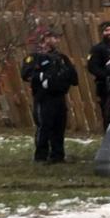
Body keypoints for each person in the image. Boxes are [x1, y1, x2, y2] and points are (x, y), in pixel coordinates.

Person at [20, 30, 79, 163]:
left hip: (59, 96)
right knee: (44, 126)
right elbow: (26, 74)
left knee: (59, 126)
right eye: (52, 38)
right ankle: (41, 156)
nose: (54, 41)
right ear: (43, 40)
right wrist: (41, 77)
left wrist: (63, 78)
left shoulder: (62, 58)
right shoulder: (34, 57)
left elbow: (73, 77)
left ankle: (58, 155)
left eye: (56, 38)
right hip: (43, 97)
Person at [86, 20, 110, 123]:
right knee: (108, 114)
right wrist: (106, 76)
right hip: (105, 87)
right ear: (102, 33)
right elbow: (92, 67)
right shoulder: (97, 49)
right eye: (106, 30)